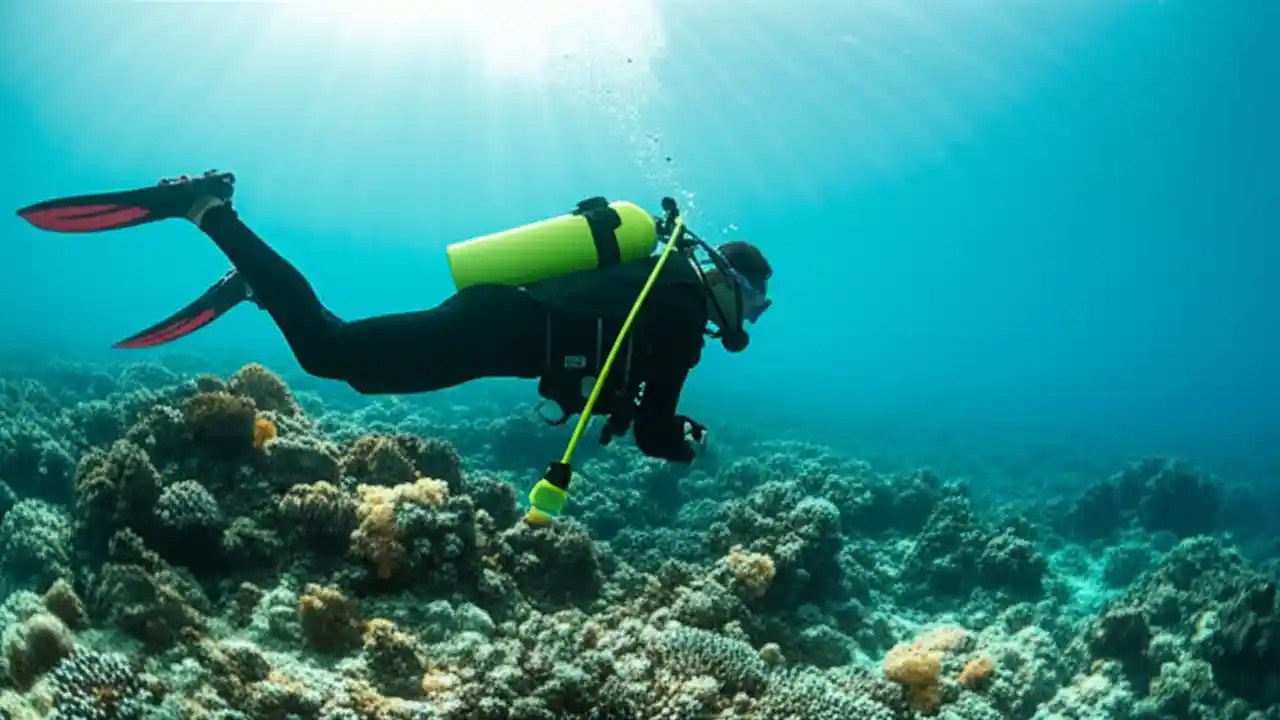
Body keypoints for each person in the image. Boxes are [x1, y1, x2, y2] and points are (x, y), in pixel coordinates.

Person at [16, 171, 773, 464]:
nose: (753, 316)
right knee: (329, 351)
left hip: (495, 323)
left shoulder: (663, 282)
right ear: (728, 280)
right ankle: (209, 210)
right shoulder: (680, 313)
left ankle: (254, 283)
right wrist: (687, 442)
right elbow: (654, 431)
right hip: (493, 330)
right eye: (755, 300)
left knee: (360, 372)